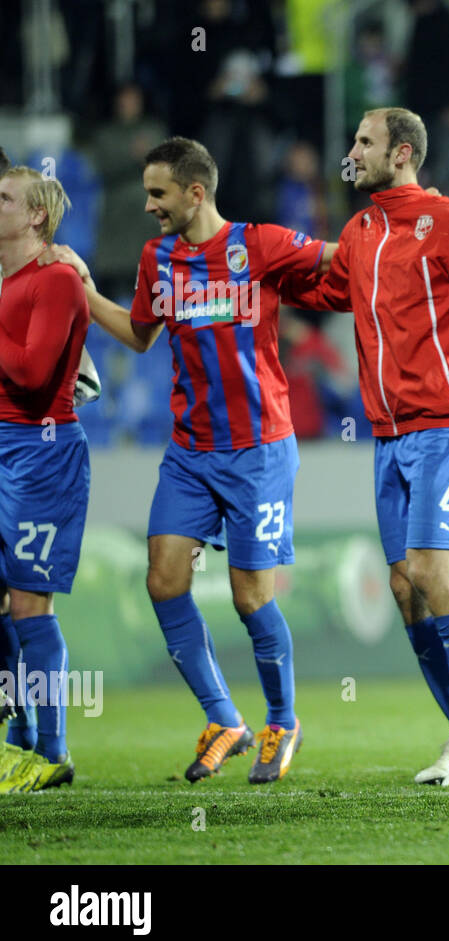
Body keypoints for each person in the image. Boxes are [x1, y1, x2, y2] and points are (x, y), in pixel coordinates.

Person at [45, 137, 328, 785]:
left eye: (157, 193)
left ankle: (283, 719)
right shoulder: (158, 257)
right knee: (163, 578)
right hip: (190, 453)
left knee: (249, 595)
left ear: (195, 192)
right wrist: (82, 287)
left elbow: (340, 261)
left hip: (259, 450)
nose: (148, 206)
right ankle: (225, 717)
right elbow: (141, 337)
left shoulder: (259, 245)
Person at [283, 108, 449, 787]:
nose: (351, 151)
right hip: (388, 437)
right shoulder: (361, 232)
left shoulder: (448, 222)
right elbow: (330, 287)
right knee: (404, 587)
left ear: (401, 152)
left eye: (363, 141)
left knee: (428, 569)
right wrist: (257, 265)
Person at [0, 167, 89, 793]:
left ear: (36, 215)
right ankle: (21, 736)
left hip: (41, 449)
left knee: (30, 601)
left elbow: (32, 375)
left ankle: (52, 751)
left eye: (4, 197)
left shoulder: (56, 280)